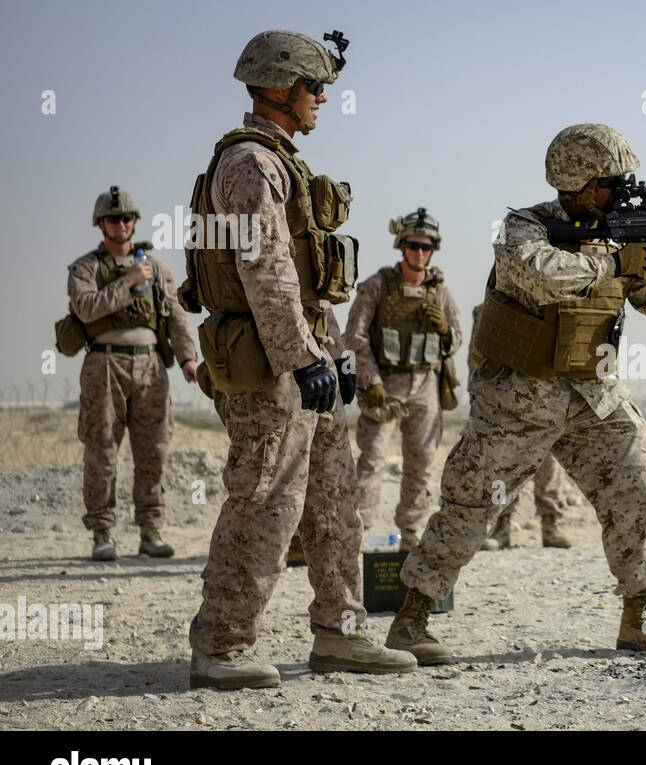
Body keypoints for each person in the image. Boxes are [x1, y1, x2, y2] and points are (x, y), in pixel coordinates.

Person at [391, 123, 646, 663]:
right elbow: (544, 278)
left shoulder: (619, 236)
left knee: (639, 486)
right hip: (519, 401)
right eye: (610, 182)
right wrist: (614, 262)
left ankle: (640, 618)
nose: (619, 193)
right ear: (577, 181)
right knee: (469, 504)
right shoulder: (524, 229)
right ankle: (412, 619)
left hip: (592, 396)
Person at [182, 29, 415, 689]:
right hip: (267, 364)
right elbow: (266, 269)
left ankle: (341, 634)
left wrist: (330, 353)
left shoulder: (280, 160)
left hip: (303, 350)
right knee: (265, 500)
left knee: (334, 500)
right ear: (282, 88)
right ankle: (222, 645)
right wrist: (299, 356)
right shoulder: (251, 163)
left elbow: (303, 282)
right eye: (315, 88)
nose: (323, 100)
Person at [67, 186, 198, 561]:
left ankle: (151, 530)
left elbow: (175, 316)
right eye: (113, 218)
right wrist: (126, 282)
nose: (121, 224)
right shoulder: (85, 268)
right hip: (104, 364)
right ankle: (102, 532)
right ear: (101, 224)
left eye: (127, 218)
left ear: (135, 221)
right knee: (102, 450)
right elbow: (86, 308)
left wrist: (188, 358)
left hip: (150, 365)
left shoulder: (155, 268)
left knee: (153, 449)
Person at [344, 209, 462, 551]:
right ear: (401, 245)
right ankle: (356, 534)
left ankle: (412, 534)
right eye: (413, 245)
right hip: (386, 382)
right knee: (372, 461)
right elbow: (354, 339)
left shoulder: (441, 291)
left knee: (422, 462)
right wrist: (372, 382)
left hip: (425, 385)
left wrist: (443, 330)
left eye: (427, 247)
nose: (420, 253)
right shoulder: (377, 286)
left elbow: (457, 337)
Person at [468, 303, 574, 551]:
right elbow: (476, 359)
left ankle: (551, 525)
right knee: (499, 469)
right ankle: (500, 527)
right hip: (505, 401)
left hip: (546, 399)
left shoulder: (554, 308)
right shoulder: (489, 308)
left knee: (550, 467)